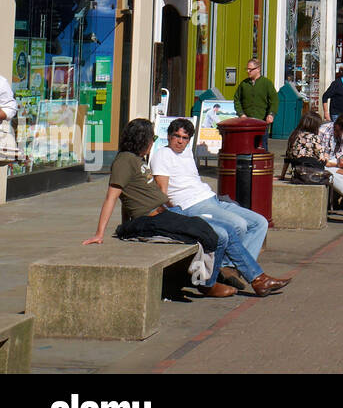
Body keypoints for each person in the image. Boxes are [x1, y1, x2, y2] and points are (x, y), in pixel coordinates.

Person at [83, 119, 288, 298]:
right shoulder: (124, 161)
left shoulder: (136, 160)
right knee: (221, 234)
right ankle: (208, 285)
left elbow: (132, 198)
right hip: (155, 218)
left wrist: (127, 222)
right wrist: (100, 233)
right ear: (140, 139)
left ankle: (258, 279)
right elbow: (112, 197)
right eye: (151, 138)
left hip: (167, 213)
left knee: (226, 232)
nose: (152, 143)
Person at [149, 118, 289, 295]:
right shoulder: (162, 155)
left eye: (184, 138)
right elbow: (162, 191)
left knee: (259, 222)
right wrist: (169, 212)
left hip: (211, 199)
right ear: (168, 136)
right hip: (192, 205)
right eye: (176, 136)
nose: (180, 141)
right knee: (238, 224)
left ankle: (229, 268)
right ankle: (253, 276)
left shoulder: (186, 153)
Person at [233, 58, 277, 127]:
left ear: (258, 69)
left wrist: (271, 114)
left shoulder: (267, 83)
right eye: (247, 69)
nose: (248, 71)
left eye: (250, 69)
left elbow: (274, 101)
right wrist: (241, 114)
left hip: (262, 122)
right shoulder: (244, 84)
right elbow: (236, 99)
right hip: (245, 123)